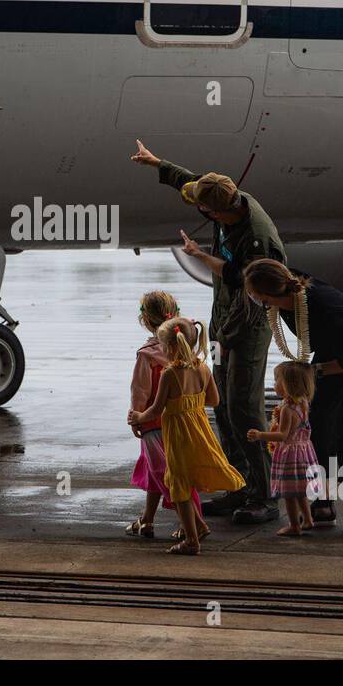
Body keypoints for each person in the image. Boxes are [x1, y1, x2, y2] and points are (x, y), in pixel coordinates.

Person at [129, 139, 286, 525]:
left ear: (221, 210)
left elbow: (252, 299)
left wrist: (225, 343)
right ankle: (237, 486)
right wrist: (156, 162)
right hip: (223, 324)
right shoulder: (221, 195)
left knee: (245, 408)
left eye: (205, 210)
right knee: (221, 407)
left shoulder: (256, 239)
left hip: (248, 328)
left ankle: (263, 495)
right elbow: (190, 181)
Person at [242, 258, 343, 533]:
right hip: (330, 354)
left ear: (267, 295)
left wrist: (311, 371)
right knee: (319, 426)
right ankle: (323, 501)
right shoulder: (284, 297)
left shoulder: (323, 306)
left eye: (254, 294)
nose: (251, 298)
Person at [128, 317, 243, 555]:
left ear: (169, 347)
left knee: (178, 481)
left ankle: (191, 540)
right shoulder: (202, 367)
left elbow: (156, 410)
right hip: (199, 429)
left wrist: (138, 417)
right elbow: (214, 400)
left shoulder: (170, 374)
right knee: (188, 476)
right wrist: (193, 403)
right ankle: (198, 527)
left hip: (178, 433)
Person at [125, 290, 202, 538]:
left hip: (154, 424)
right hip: (184, 424)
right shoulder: (186, 349)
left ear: (145, 321)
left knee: (167, 476)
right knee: (158, 471)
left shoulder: (146, 355)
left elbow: (140, 391)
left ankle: (194, 525)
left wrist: (136, 416)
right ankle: (147, 519)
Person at [248, 362, 319, 537]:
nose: (274, 384)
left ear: (289, 384)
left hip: (291, 455)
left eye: (277, 380)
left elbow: (283, 435)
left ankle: (294, 525)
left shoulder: (287, 409)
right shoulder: (303, 402)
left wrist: (260, 435)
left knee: (288, 493)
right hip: (304, 451)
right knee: (300, 489)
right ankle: (308, 520)